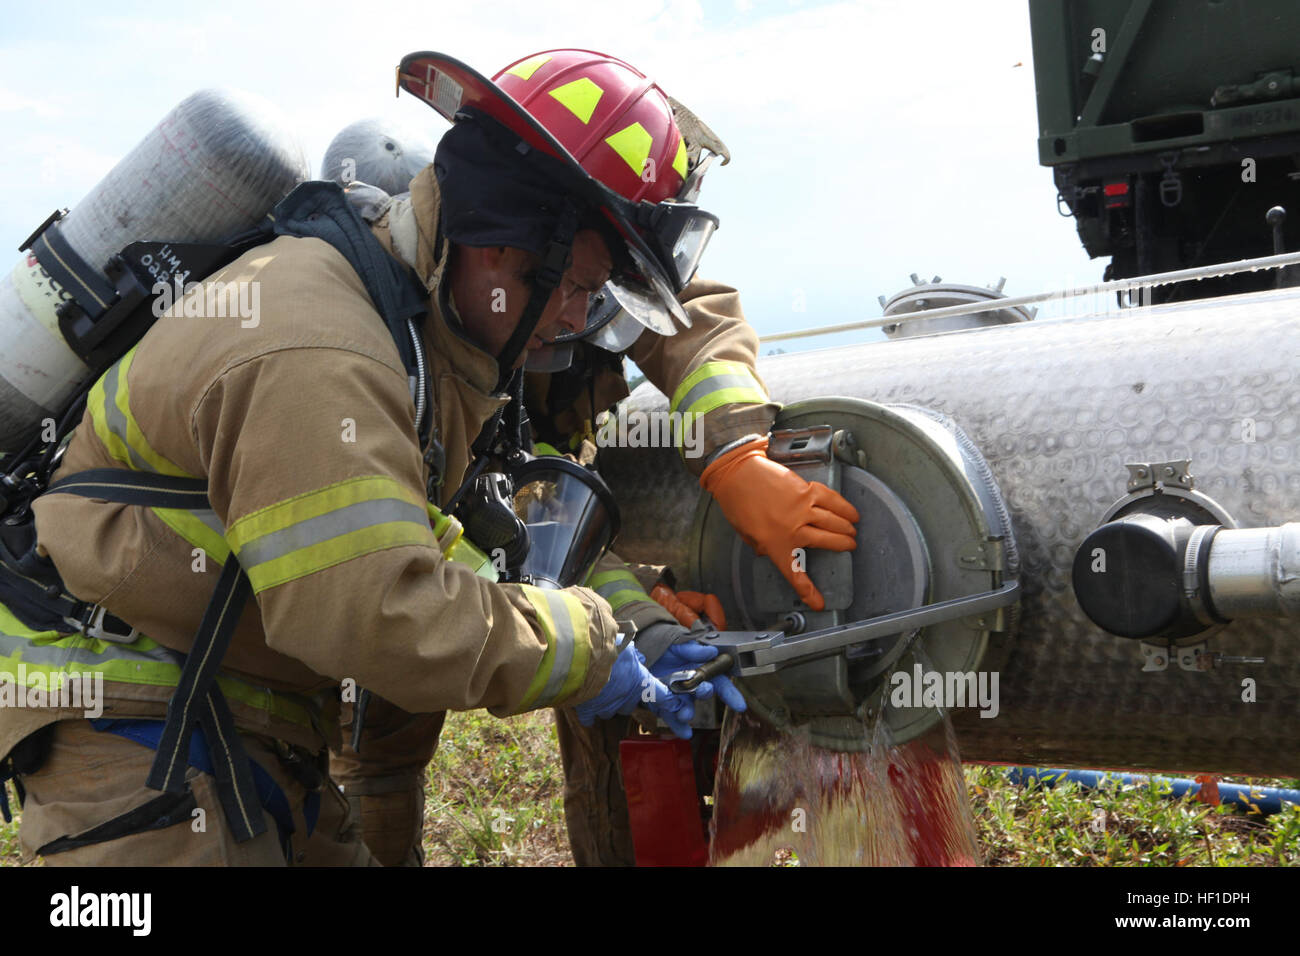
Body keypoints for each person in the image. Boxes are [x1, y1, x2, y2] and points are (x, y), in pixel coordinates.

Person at [0, 48, 736, 866]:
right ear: (506, 247)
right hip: (139, 734)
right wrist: (591, 651)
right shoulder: (322, 345)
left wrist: (633, 627)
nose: (574, 320)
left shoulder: (425, 340)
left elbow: (479, 538)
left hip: (233, 723)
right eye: (576, 287)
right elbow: (378, 610)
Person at [323, 49, 861, 866]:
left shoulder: (587, 261)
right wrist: (592, 630)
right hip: (441, 498)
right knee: (380, 744)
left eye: (593, 287)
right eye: (571, 286)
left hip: (535, 495)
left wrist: (736, 454)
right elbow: (425, 560)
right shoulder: (392, 326)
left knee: (608, 699)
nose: (576, 312)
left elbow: (697, 327)